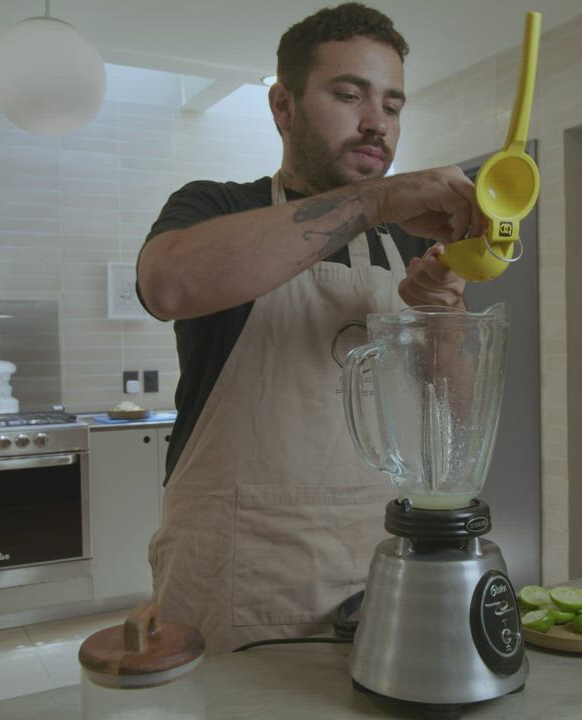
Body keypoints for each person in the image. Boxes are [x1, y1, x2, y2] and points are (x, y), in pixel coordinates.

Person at [136, 2, 484, 653]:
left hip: (381, 565)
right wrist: (376, 200)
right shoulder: (217, 206)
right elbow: (167, 284)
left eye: (393, 104)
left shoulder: (399, 251)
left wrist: (445, 318)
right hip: (237, 572)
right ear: (283, 106)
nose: (376, 122)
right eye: (349, 94)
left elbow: (451, 426)